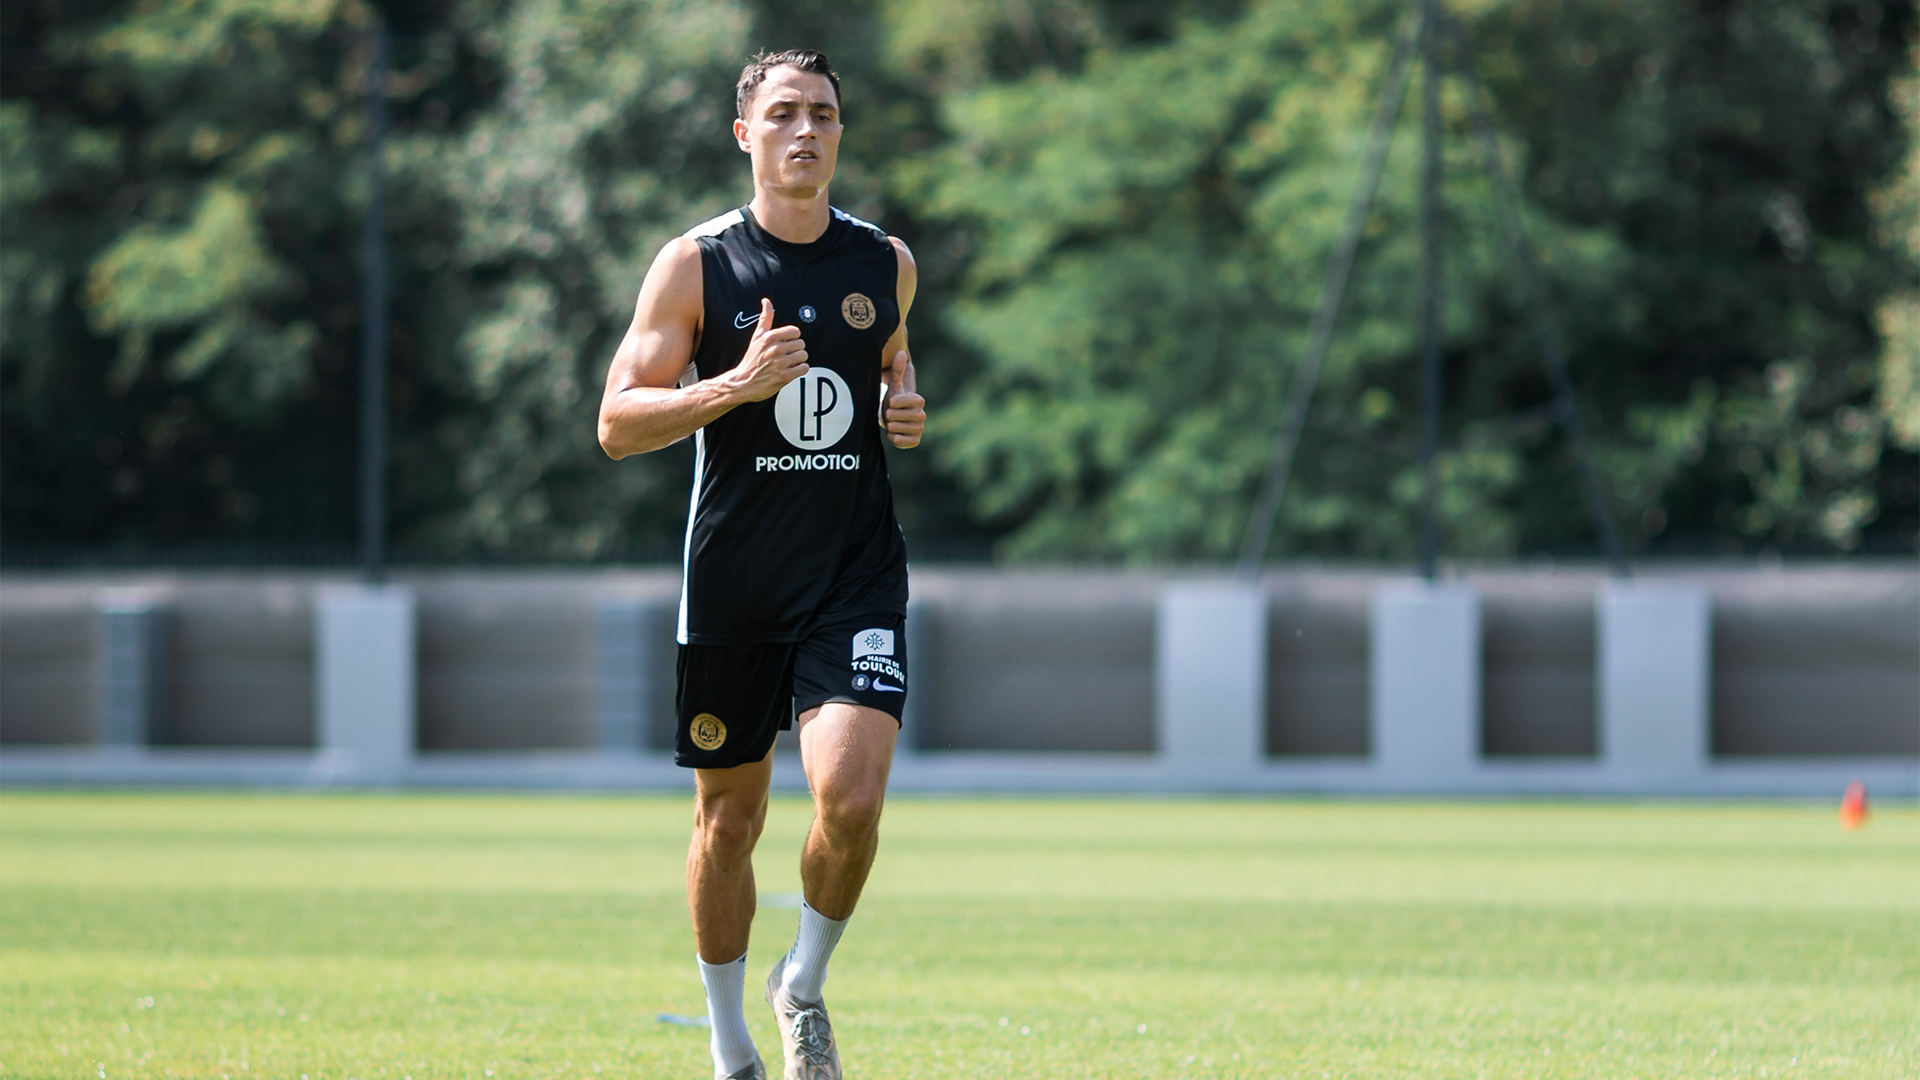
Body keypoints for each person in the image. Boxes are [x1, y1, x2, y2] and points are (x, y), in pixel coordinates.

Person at [596, 48, 924, 1080]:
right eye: (783, 113)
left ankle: (805, 986)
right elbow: (616, 422)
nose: (806, 131)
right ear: (746, 135)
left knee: (853, 800)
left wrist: (901, 410)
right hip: (735, 582)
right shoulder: (695, 264)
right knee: (728, 821)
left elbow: (892, 373)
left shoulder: (887, 263)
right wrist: (729, 388)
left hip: (852, 575)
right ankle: (730, 1040)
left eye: (822, 114)